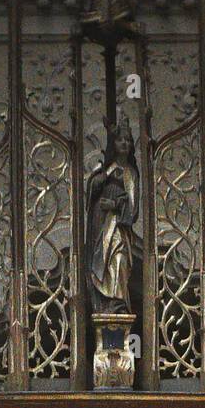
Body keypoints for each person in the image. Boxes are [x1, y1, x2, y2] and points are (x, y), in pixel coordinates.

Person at [85, 116, 139, 313]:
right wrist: (102, 179)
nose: (124, 143)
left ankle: (118, 301)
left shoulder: (131, 173)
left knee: (119, 261)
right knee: (102, 265)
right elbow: (91, 193)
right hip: (102, 228)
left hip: (119, 230)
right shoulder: (106, 169)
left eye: (128, 140)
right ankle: (106, 304)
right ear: (113, 144)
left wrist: (115, 205)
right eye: (119, 139)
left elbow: (133, 209)